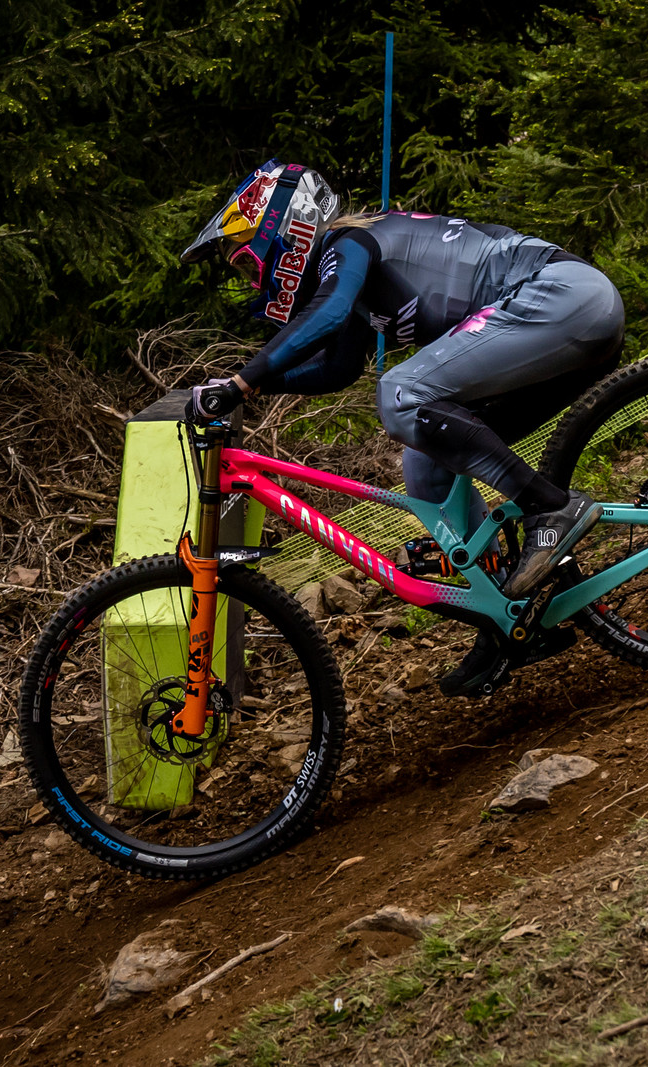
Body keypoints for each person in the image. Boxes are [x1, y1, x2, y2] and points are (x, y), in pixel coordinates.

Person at [181, 159, 625, 696]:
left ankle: (549, 507)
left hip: (561, 296)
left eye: (249, 266)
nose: (252, 281)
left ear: (282, 232)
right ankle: (510, 614)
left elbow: (324, 315)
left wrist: (242, 382)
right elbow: (337, 368)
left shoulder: (348, 245)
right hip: (562, 318)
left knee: (401, 393)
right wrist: (246, 388)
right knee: (426, 466)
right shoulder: (357, 272)